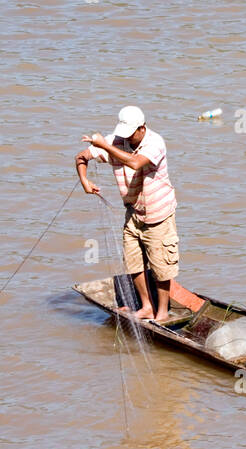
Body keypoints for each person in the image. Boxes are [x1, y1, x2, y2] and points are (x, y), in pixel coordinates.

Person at [75, 105, 199, 322]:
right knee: (133, 263)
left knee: (162, 267)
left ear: (142, 128)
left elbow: (134, 162)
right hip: (133, 213)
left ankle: (162, 312)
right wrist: (85, 181)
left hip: (158, 214)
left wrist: (104, 145)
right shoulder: (116, 141)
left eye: (131, 134)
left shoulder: (155, 142)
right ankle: (146, 307)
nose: (127, 138)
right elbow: (81, 157)